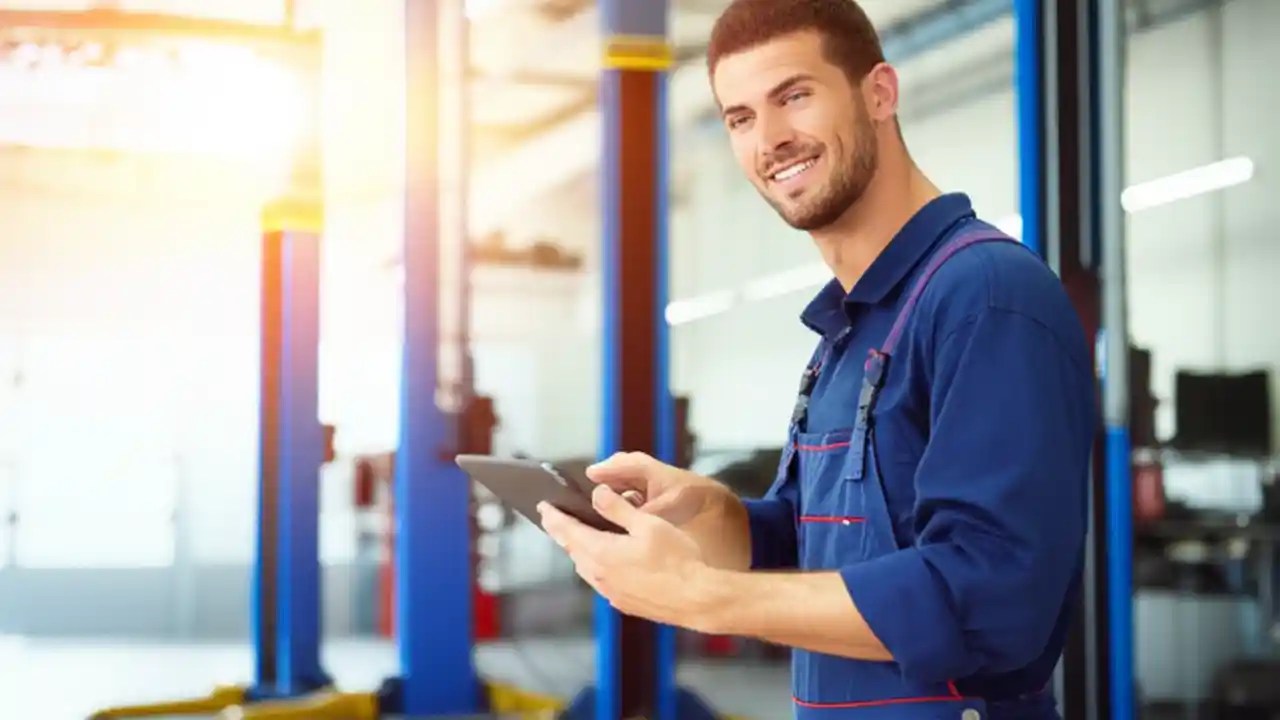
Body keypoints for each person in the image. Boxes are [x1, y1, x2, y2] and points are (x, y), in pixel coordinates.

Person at [537, 0, 1095, 717]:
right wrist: (718, 517)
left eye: (793, 96)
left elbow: (991, 599)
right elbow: (819, 557)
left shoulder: (985, 296)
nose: (770, 139)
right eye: (740, 118)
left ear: (879, 93)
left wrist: (708, 597)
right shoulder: (849, 331)